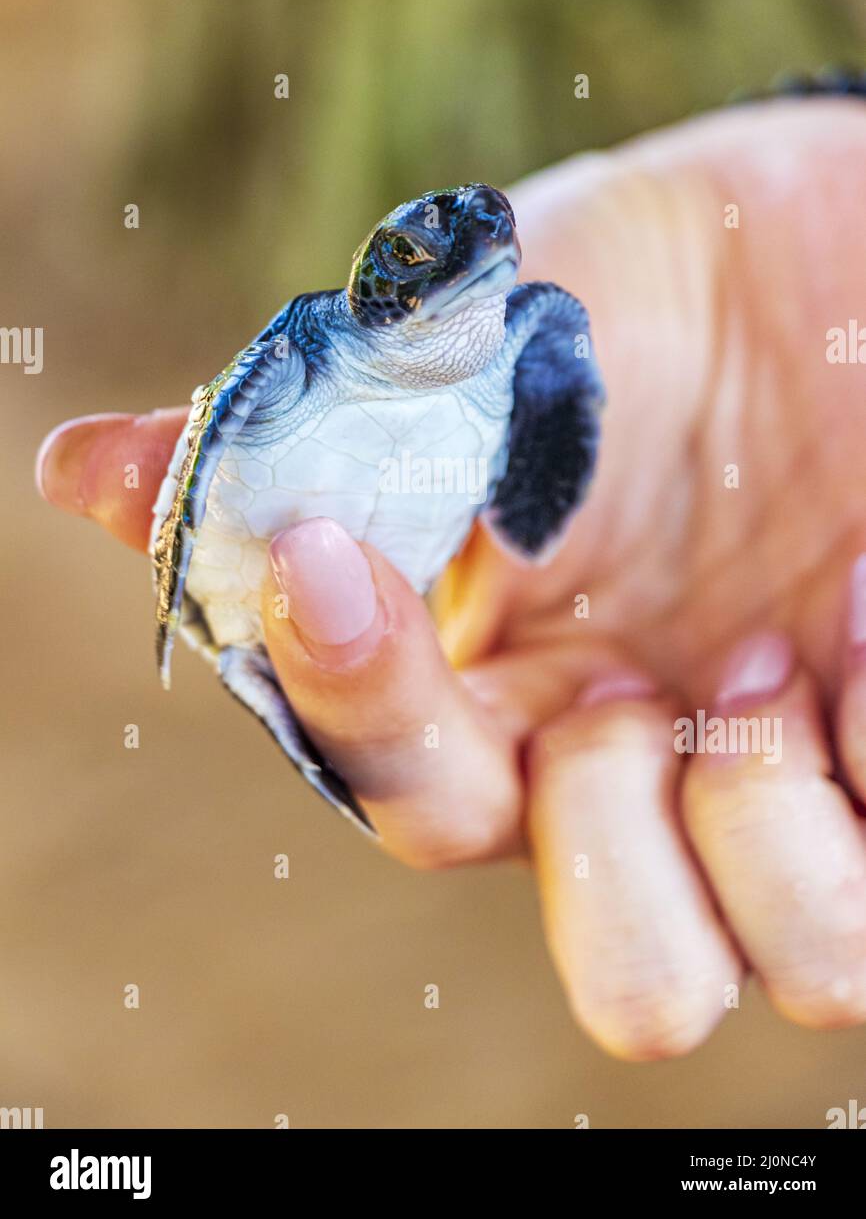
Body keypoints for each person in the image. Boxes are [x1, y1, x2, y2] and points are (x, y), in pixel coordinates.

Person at [37, 96, 866, 1061]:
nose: (465, 256)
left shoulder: (529, 324)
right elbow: (210, 428)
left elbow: (550, 400)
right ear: (373, 282)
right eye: (412, 255)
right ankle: (256, 677)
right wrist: (172, 571)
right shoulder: (310, 340)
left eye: (491, 239)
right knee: (266, 657)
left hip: (410, 563)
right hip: (254, 579)